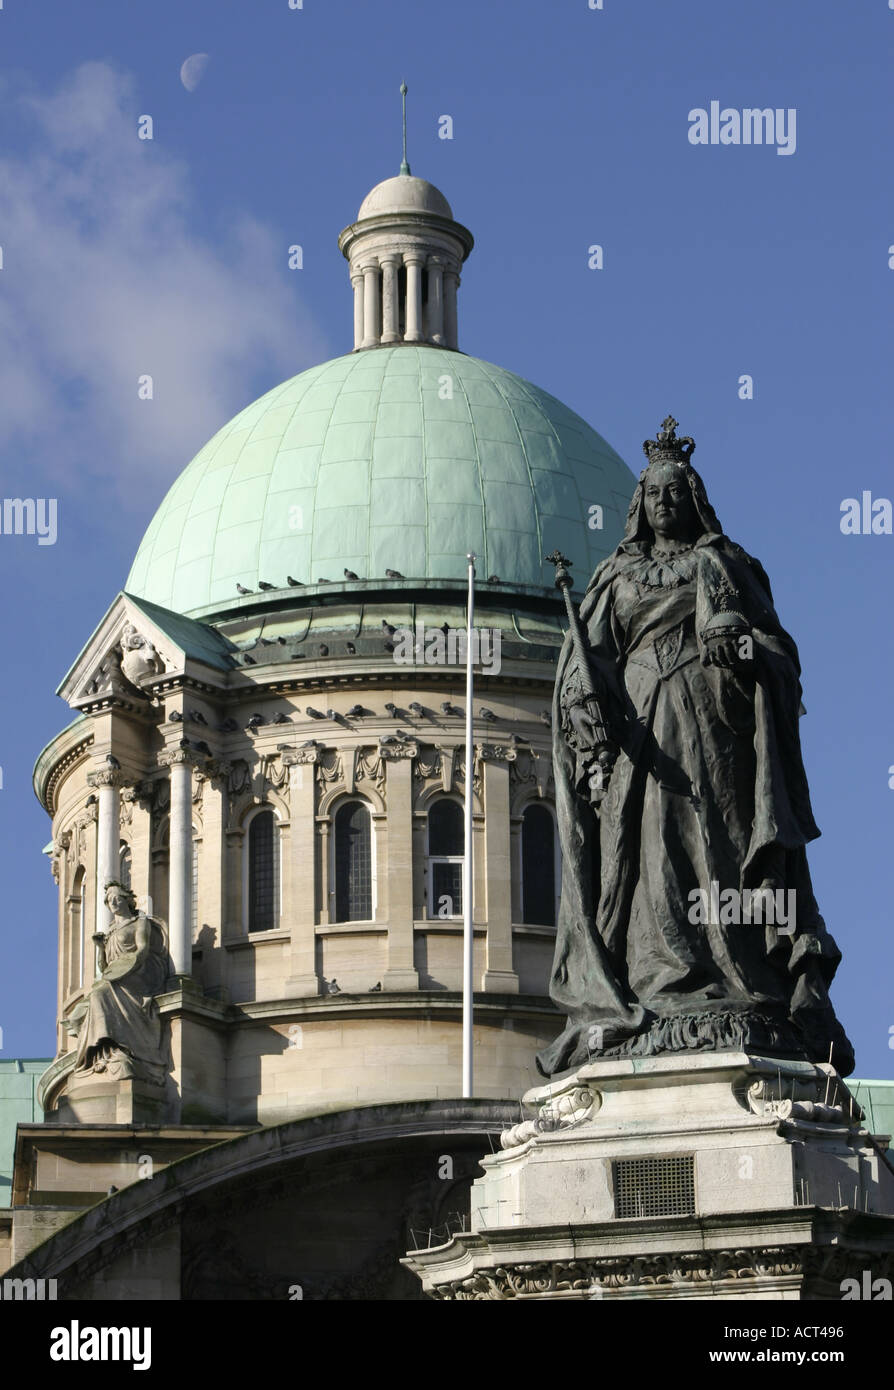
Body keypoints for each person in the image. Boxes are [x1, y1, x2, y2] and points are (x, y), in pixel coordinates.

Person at [537, 417, 853, 1077]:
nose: (663, 503)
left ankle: (737, 983)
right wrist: (583, 705)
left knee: (719, 848)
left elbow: (778, 651)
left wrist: (742, 647)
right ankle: (661, 983)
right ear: (640, 505)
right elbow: (582, 663)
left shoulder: (723, 563)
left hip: (715, 735)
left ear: (693, 498)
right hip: (641, 738)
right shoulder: (615, 577)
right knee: (650, 855)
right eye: (653, 494)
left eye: (674, 492)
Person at [72, 880, 170, 1079]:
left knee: (98, 996)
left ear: (127, 900)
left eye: (117, 898)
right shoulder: (110, 931)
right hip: (115, 976)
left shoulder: (139, 922)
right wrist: (101, 947)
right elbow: (104, 967)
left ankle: (109, 1049)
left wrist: (129, 968)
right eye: (109, 900)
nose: (113, 902)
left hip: (136, 975)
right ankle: (100, 1055)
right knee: (76, 1015)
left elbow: (142, 950)